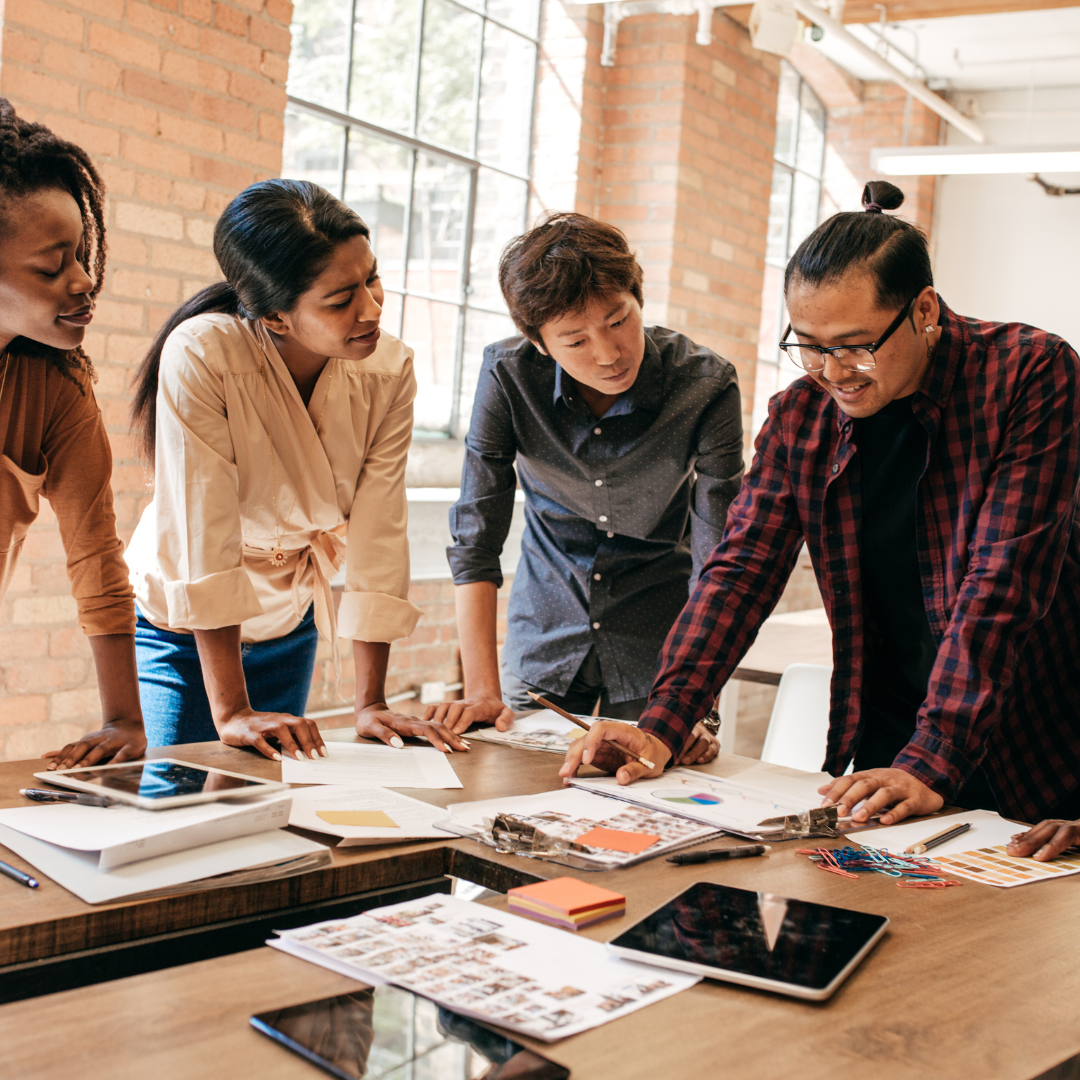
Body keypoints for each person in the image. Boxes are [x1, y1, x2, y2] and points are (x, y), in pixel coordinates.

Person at [561, 181, 1080, 832]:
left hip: (1036, 739)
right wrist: (663, 723)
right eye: (809, 345)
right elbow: (740, 572)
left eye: (856, 344)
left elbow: (1003, 582)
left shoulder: (1028, 375)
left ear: (924, 310)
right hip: (893, 745)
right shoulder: (802, 416)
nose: (833, 372)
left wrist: (934, 757)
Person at [127, 179, 468, 762]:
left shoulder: (390, 369)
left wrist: (371, 703)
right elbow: (203, 535)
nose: (372, 309)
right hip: (184, 631)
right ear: (276, 317)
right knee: (182, 796)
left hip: (290, 616)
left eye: (372, 279)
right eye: (340, 300)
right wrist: (232, 711)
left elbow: (379, 527)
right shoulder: (204, 354)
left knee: (271, 803)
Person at [428, 212, 744, 766]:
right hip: (546, 629)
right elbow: (476, 536)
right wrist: (481, 689)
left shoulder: (706, 384)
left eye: (619, 320)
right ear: (540, 343)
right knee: (513, 789)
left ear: (638, 297)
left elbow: (717, 557)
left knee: (644, 807)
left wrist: (696, 702)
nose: (608, 353)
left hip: (662, 645)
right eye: (575, 340)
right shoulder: (508, 375)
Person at [0, 98, 145, 770]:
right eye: (52, 267)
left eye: (82, 254)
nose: (85, 281)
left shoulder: (55, 392)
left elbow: (96, 556)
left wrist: (123, 719)